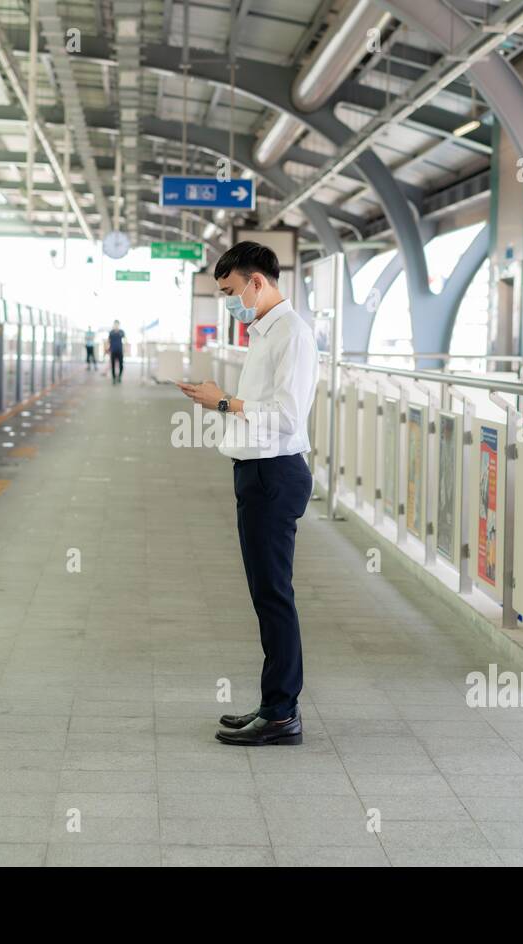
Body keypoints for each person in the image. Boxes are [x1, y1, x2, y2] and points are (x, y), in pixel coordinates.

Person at [178, 241, 316, 747]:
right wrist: (222, 404)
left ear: (257, 282)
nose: (231, 303)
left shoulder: (293, 336)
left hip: (274, 475)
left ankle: (282, 713)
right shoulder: (265, 332)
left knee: (275, 596)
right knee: (266, 595)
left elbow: (286, 416)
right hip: (257, 472)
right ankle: (273, 703)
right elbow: (258, 408)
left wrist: (226, 401)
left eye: (232, 292)